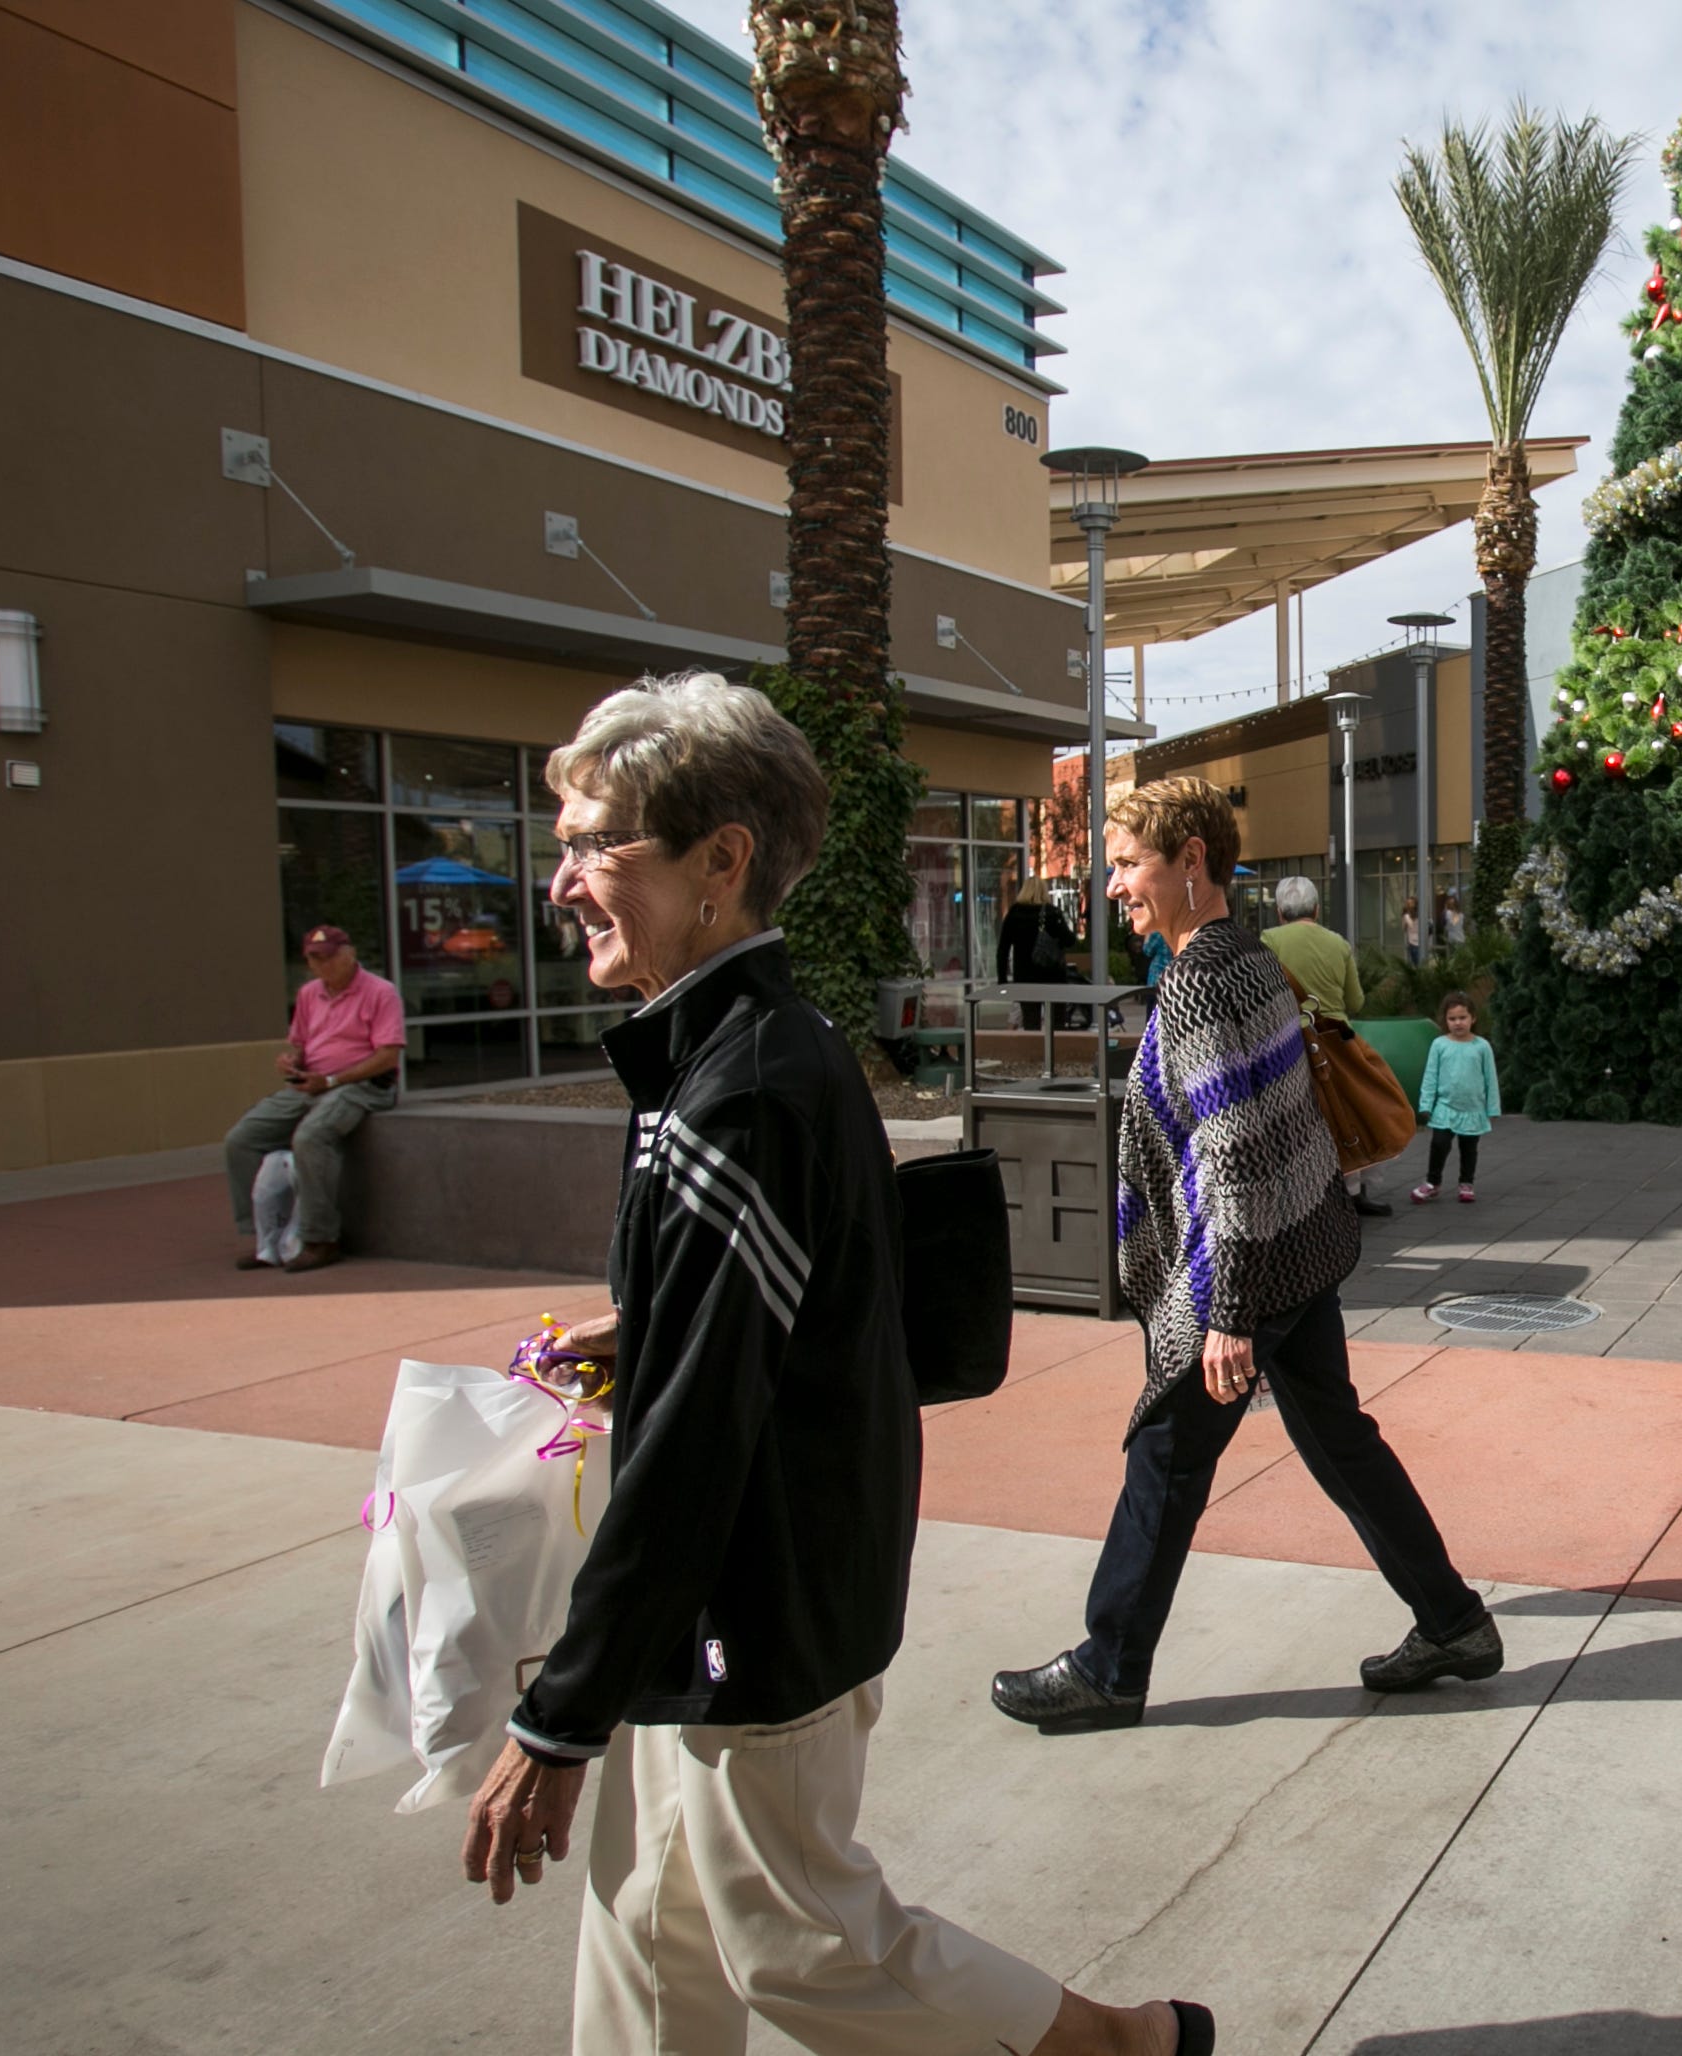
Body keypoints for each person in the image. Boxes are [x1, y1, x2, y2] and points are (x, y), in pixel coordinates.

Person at [462, 673, 1207, 2056]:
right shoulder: (763, 1051)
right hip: (761, 1582)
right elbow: (811, 1301)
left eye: (593, 844)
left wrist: (558, 1718)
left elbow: (696, 1436)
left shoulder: (739, 1085)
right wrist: (658, 1322)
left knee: (795, 1943)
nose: (563, 880)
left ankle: (1123, 2047)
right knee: (650, 1926)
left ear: (718, 863)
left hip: (770, 1595)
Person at [991, 776, 1495, 1733]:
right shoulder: (1249, 958)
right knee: (1338, 1438)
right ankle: (1454, 1622)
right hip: (1300, 1242)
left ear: (1190, 863)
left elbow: (1231, 1150)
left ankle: (1109, 1667)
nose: (1113, 886)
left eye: (1130, 863)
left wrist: (1226, 1312)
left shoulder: (1198, 984)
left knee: (1166, 1457)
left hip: (1248, 1265)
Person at [224, 925, 401, 1274]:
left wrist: (333, 1080)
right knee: (241, 1139)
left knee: (311, 1136)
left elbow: (388, 1055)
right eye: (315, 959)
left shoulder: (380, 992)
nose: (325, 965)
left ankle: (320, 1238)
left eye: (332, 956)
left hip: (360, 1083)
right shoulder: (308, 994)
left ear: (349, 953)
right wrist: (293, 1062)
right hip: (310, 1083)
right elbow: (301, 1044)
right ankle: (264, 1236)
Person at [1255, 873, 1390, 1216]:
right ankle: (1356, 1191)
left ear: (1280, 913)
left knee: (1300, 1117)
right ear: (1316, 910)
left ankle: (1307, 1195)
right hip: (1338, 1042)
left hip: (1290, 1042)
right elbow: (1355, 1001)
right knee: (1352, 1113)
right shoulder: (1338, 944)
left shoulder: (1268, 940)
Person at [1408, 994, 1496, 1203]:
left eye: (1462, 1017)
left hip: (1472, 1109)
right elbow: (1430, 1076)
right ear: (1445, 1020)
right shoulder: (1439, 1045)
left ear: (1473, 1018)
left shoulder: (1481, 1046)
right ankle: (1432, 1182)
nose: (1458, 1023)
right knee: (1439, 1144)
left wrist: (1492, 1108)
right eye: (1452, 1018)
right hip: (1445, 1108)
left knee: (1469, 1148)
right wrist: (1425, 1104)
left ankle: (1467, 1183)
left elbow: (1490, 1078)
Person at [998, 877, 1076, 1030]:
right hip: (1053, 978)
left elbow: (1003, 949)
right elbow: (1070, 940)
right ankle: (1055, 1052)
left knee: (1031, 1022)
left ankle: (1034, 1052)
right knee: (1057, 1025)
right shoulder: (1052, 913)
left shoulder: (1014, 914)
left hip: (1025, 978)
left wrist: (1002, 979)